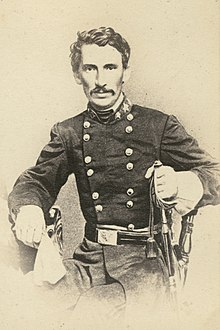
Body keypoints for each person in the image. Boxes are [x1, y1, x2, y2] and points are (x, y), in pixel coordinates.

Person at [8, 27, 220, 327]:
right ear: (77, 74)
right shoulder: (68, 132)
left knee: (90, 314)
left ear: (126, 72)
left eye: (110, 67)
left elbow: (215, 173)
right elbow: (36, 181)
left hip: (143, 267)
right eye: (90, 68)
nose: (101, 80)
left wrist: (182, 183)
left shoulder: (157, 126)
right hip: (87, 259)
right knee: (33, 305)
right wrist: (29, 206)